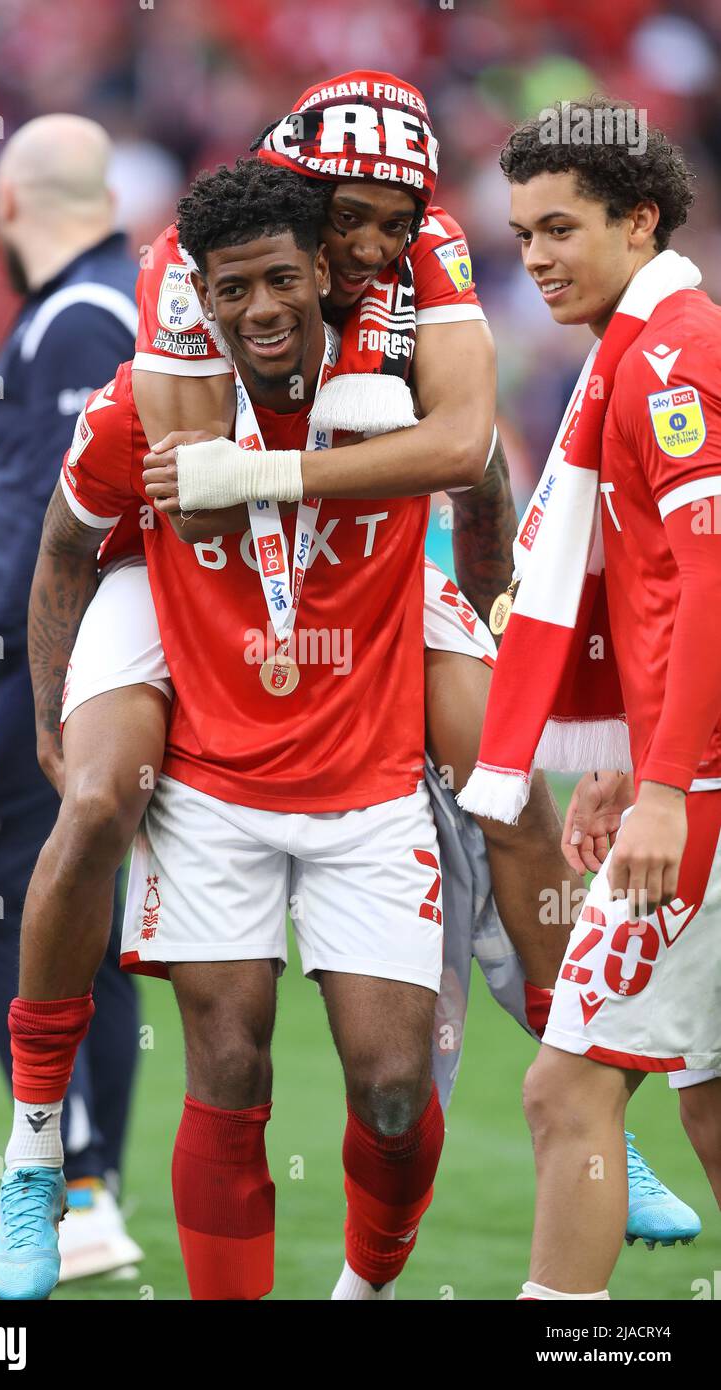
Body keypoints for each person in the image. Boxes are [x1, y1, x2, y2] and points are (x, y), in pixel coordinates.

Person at [0, 157, 454, 1302]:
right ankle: (35, 1147)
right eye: (232, 288)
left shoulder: (390, 396)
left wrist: (488, 597)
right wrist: (52, 726)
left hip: (359, 765)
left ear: (323, 278)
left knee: (395, 1091)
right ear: (194, 291)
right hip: (212, 755)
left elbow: (478, 469)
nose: (261, 310)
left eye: (284, 282)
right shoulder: (141, 410)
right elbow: (59, 549)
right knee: (226, 1049)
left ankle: (380, 1278)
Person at [459, 96, 720, 1299]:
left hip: (702, 789)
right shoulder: (638, 350)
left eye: (563, 226)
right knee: (710, 1103)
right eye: (524, 236)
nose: (541, 257)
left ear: (641, 220)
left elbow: (715, 578)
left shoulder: (671, 363)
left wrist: (664, 786)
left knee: (567, 1087)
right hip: (680, 767)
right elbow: (657, 586)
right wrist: (623, 754)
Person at [0, 115, 143, 1287]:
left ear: (10, 201)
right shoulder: (98, 306)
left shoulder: (80, 317)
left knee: (0, 895)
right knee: (62, 918)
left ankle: (72, 1178)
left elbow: (63, 530)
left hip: (44, 665)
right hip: (57, 661)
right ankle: (84, 1186)